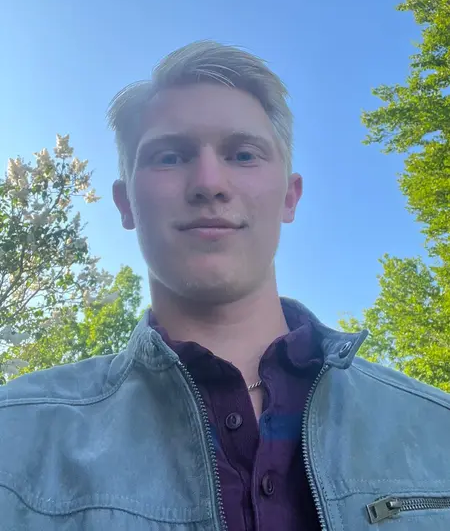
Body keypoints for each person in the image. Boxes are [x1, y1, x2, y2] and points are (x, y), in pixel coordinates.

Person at [1, 41, 449, 531]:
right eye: (170, 156)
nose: (209, 182)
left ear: (289, 197)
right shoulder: (15, 435)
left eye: (243, 154)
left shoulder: (436, 430)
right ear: (126, 203)